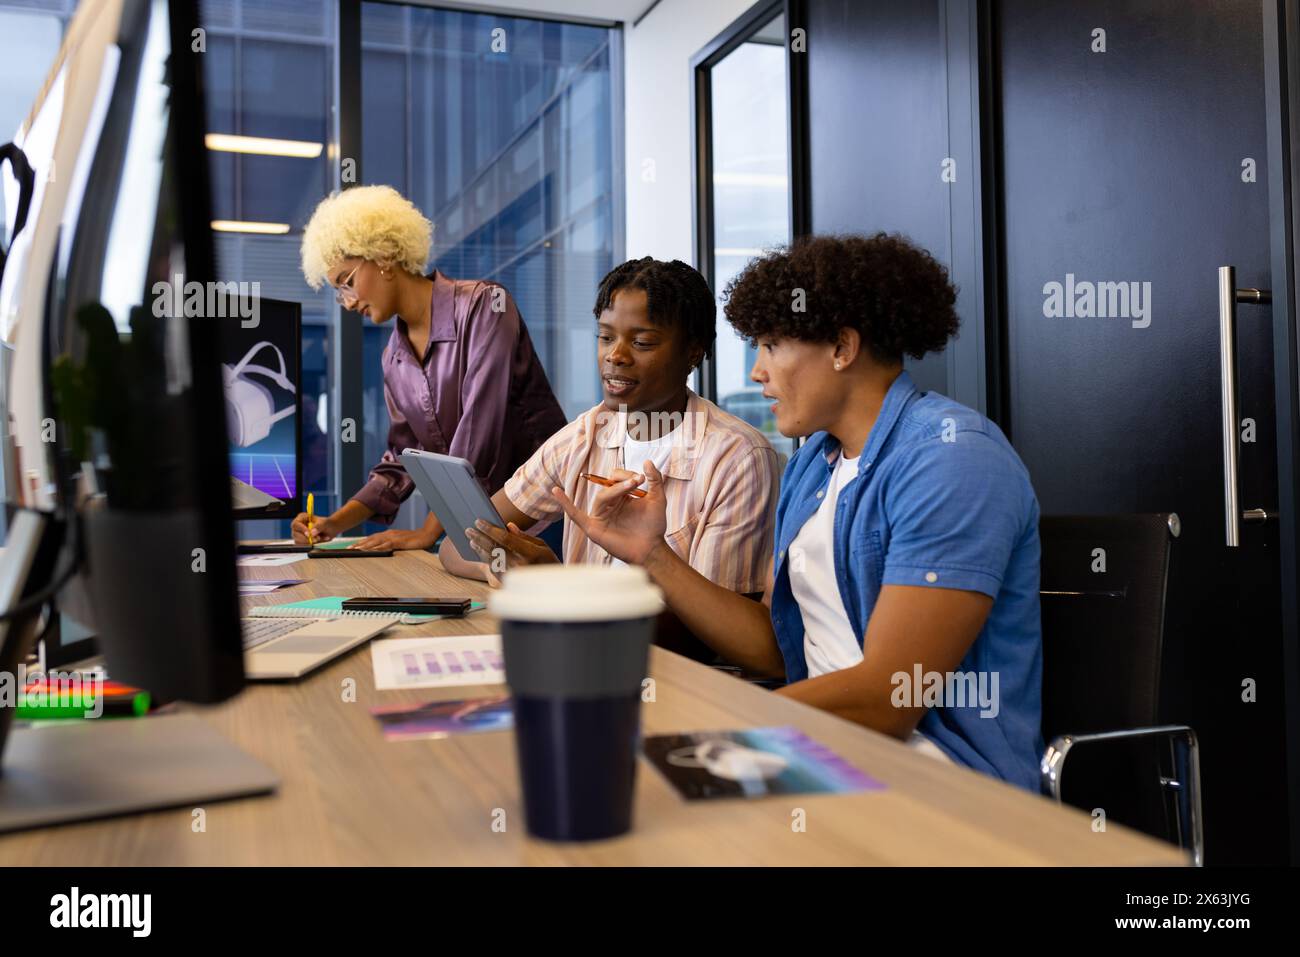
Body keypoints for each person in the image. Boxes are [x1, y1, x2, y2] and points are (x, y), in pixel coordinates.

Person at [550, 234, 1044, 790]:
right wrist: (652, 554)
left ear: (841, 347)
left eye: (770, 346)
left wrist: (716, 725)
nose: (757, 372)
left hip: (931, 775)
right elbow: (774, 650)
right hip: (816, 749)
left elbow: (888, 697)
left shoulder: (953, 459)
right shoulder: (815, 463)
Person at [440, 257, 778, 605]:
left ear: (692, 351)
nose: (615, 355)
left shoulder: (737, 458)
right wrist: (500, 569)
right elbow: (456, 544)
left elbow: (718, 632)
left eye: (642, 343)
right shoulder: (583, 435)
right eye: (605, 337)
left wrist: (555, 584)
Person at [292, 184, 567, 549]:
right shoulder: (394, 356)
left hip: (544, 509)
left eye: (347, 282)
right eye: (338, 292)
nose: (346, 301)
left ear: (383, 255)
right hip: (476, 522)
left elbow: (479, 431)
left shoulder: (486, 306)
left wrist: (427, 533)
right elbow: (401, 459)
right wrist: (334, 522)